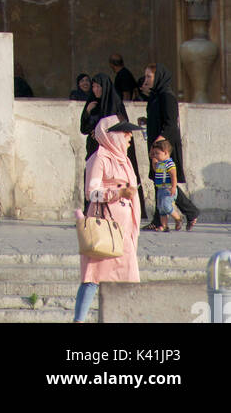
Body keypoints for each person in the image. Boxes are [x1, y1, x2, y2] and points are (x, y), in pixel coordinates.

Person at [73, 118, 141, 323]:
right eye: (124, 132)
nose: (129, 136)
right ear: (111, 135)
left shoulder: (125, 159)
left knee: (128, 275)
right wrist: (118, 192)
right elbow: (91, 193)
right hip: (104, 227)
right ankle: (79, 320)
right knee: (92, 276)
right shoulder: (99, 158)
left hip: (124, 228)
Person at [140, 63, 199, 231]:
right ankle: (185, 213)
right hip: (157, 146)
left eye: (149, 77)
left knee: (164, 182)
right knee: (161, 181)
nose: (146, 80)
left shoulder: (167, 96)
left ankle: (162, 221)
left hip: (165, 147)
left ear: (158, 77)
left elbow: (171, 124)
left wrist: (158, 143)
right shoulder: (156, 96)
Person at [79, 72, 144, 213]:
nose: (95, 90)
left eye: (98, 87)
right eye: (94, 86)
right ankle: (89, 212)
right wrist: (87, 113)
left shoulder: (115, 104)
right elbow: (83, 129)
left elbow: (120, 127)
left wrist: (102, 133)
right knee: (92, 180)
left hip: (110, 152)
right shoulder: (92, 103)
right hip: (94, 149)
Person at [149, 138, 183, 232]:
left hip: (168, 188)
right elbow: (156, 169)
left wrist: (173, 187)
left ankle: (178, 218)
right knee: (161, 209)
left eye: (157, 153)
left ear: (166, 152)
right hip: (160, 189)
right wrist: (153, 159)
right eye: (155, 153)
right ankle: (164, 226)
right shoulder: (160, 163)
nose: (156, 155)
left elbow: (173, 176)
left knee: (166, 205)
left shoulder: (170, 164)